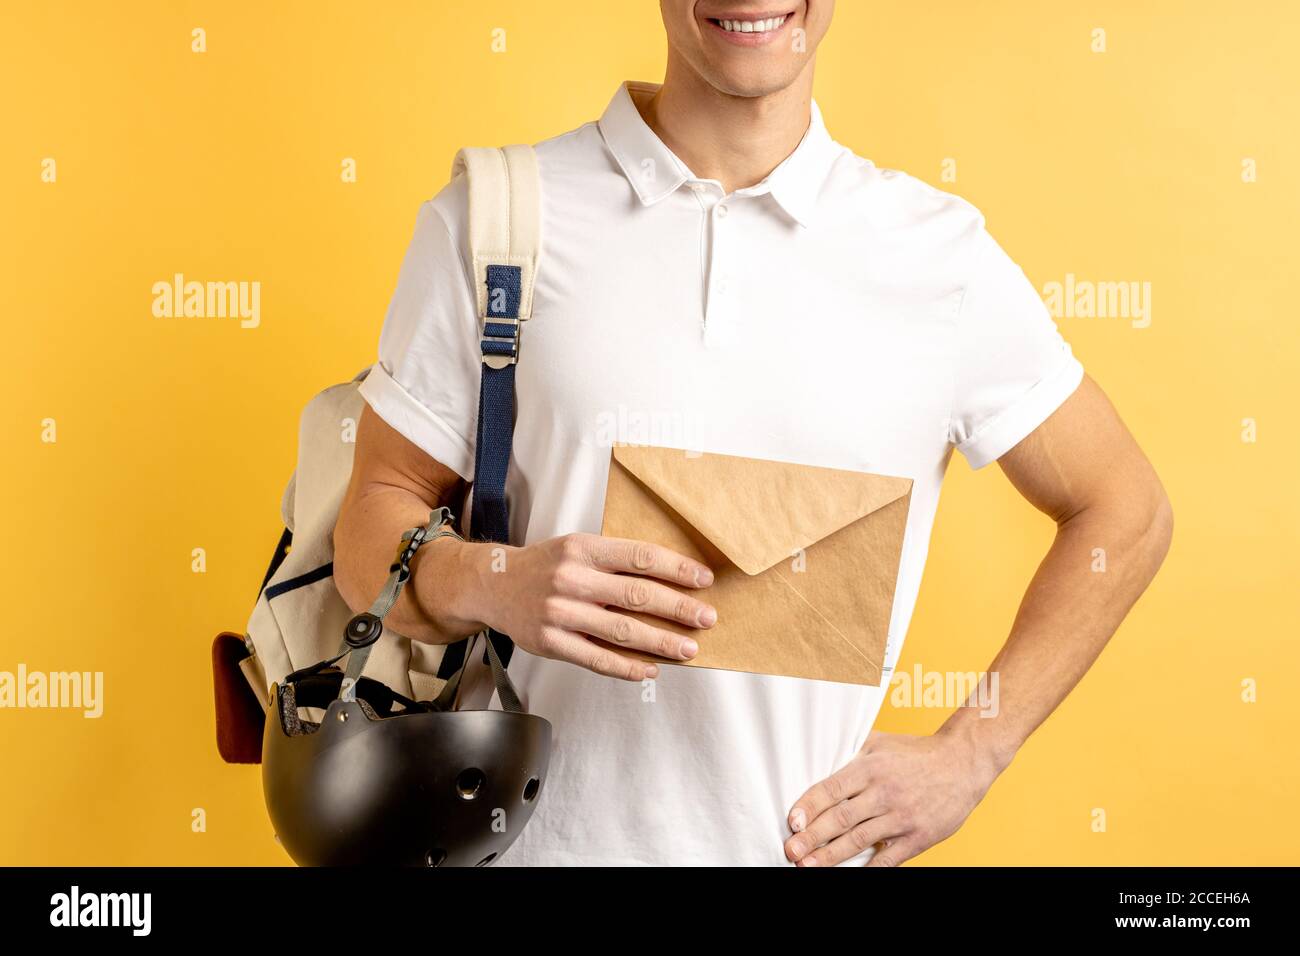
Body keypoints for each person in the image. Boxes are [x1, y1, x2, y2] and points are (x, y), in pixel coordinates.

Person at [334, 1, 1173, 866]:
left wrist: (972, 751)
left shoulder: (937, 259)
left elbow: (1125, 509)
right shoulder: (499, 219)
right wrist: (495, 579)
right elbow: (368, 529)